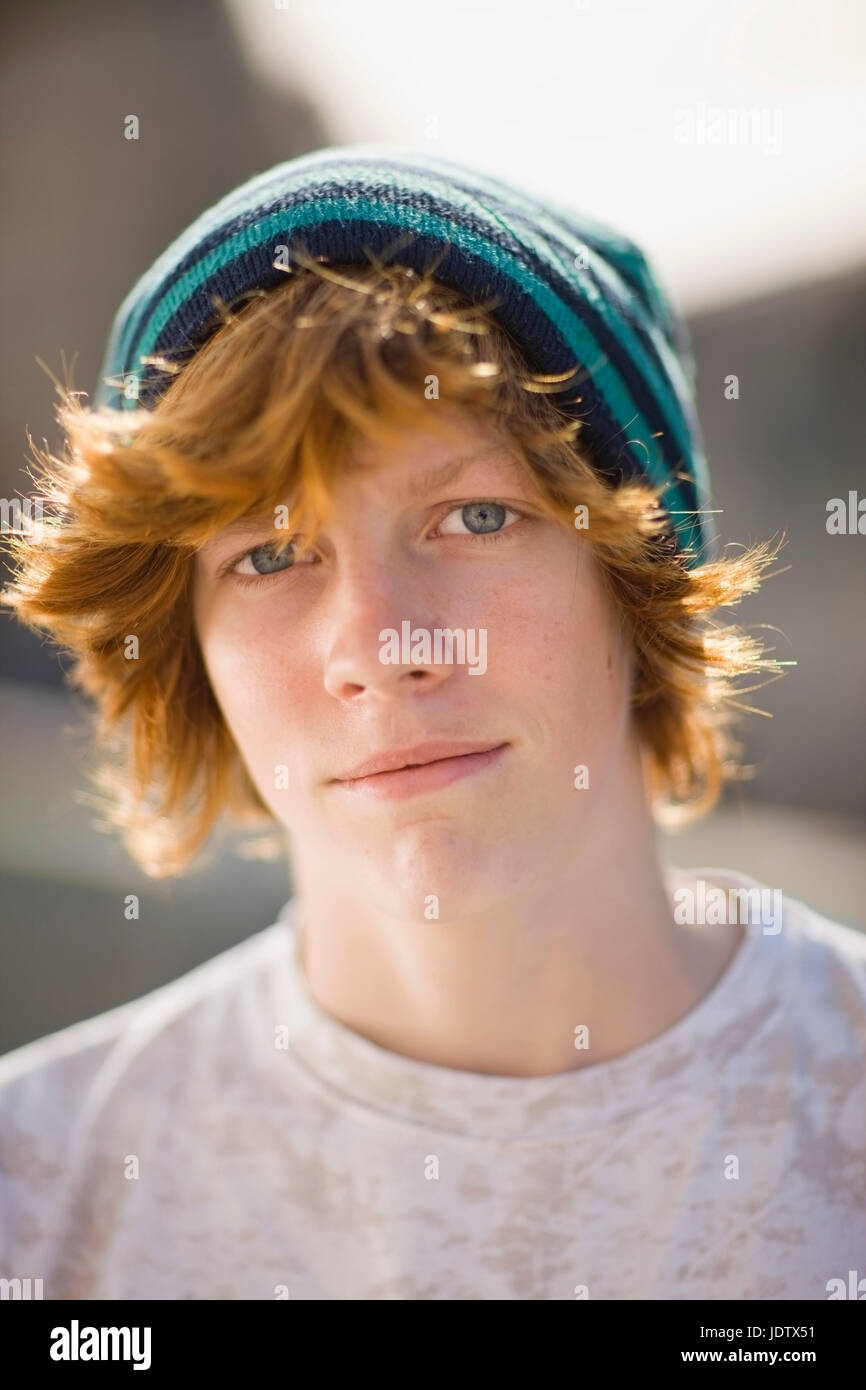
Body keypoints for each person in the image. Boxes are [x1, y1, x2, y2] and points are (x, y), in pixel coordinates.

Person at [1, 146, 864, 1302]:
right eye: (266, 554)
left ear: (636, 570)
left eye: (472, 515)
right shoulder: (39, 1194)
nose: (377, 647)